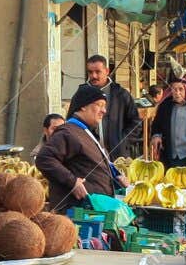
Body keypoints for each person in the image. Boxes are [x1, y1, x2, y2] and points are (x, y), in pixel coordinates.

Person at [36, 84, 124, 212]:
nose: (104, 111)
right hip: (76, 213)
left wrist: (116, 178)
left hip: (93, 211)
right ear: (83, 106)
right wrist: (72, 182)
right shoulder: (68, 132)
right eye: (99, 105)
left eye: (104, 106)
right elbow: (44, 158)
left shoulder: (84, 132)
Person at [83, 55, 138, 158]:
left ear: (107, 71)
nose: (94, 76)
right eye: (90, 72)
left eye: (98, 72)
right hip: (89, 156)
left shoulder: (121, 94)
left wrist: (124, 141)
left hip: (117, 156)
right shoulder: (81, 94)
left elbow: (135, 121)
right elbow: (72, 122)